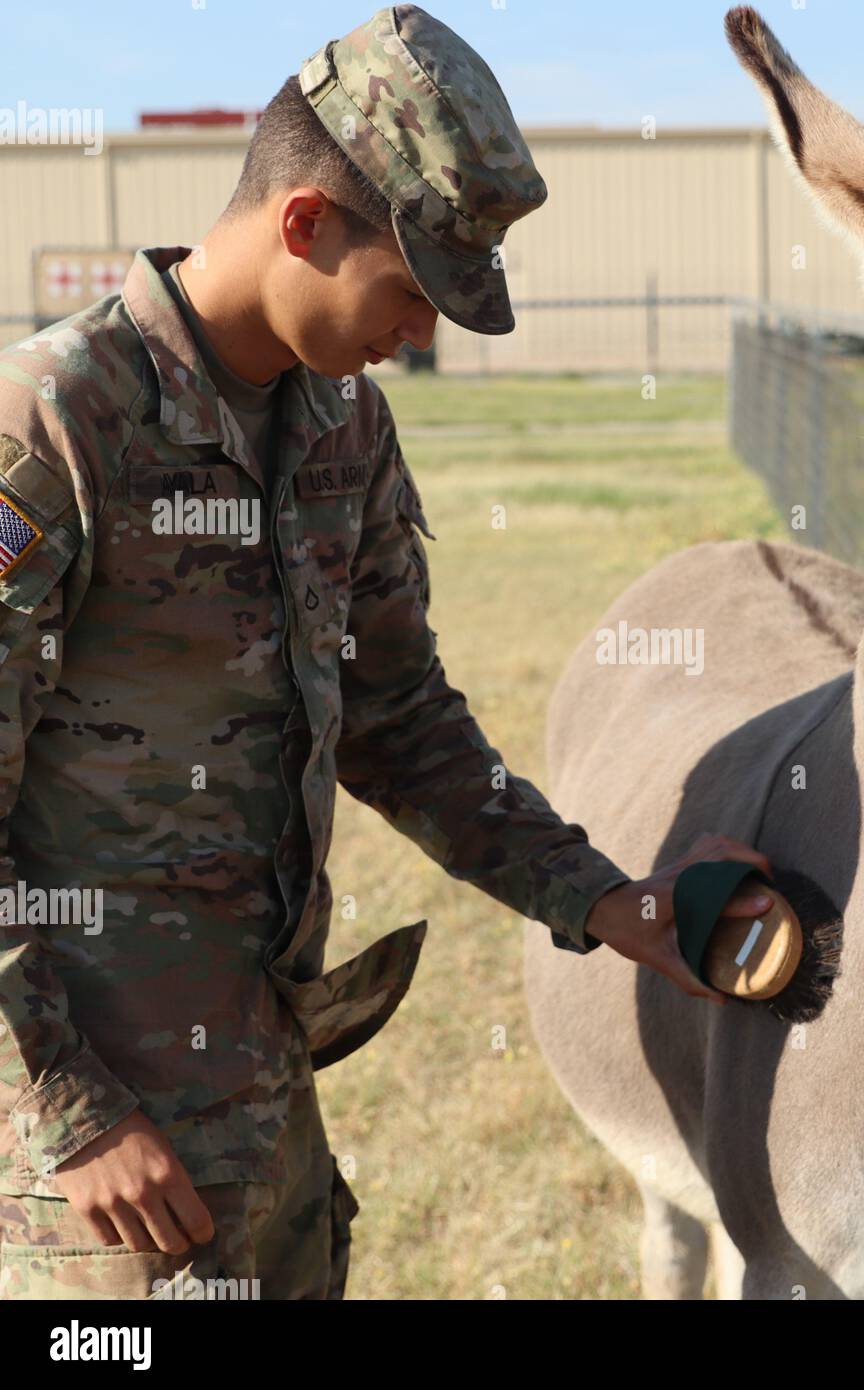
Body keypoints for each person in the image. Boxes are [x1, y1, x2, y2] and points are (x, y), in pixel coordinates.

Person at [0, 4, 772, 1299]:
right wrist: (73, 1106)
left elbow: (401, 724)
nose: (419, 336)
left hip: (270, 1091)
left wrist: (608, 902)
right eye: (410, 291)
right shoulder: (55, 425)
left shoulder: (342, 431)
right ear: (304, 222)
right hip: (91, 1169)